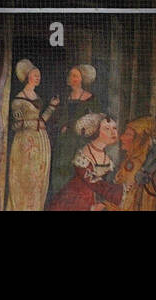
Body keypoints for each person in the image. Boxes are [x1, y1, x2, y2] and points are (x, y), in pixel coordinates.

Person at [5, 59, 58, 211]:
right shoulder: (18, 100)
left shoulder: (36, 96)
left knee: (39, 180)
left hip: (41, 141)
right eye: (35, 75)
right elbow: (16, 125)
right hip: (25, 143)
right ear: (28, 77)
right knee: (25, 177)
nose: (38, 77)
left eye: (39, 75)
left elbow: (41, 120)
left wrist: (52, 107)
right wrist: (33, 125)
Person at [46, 113, 128, 211]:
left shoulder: (107, 158)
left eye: (114, 128)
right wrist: (119, 192)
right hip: (78, 199)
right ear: (96, 131)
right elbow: (93, 182)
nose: (113, 132)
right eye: (107, 129)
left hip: (98, 198)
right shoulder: (85, 154)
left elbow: (107, 182)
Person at [47, 63, 97, 205]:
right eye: (71, 75)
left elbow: (94, 122)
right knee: (59, 178)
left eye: (75, 75)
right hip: (63, 146)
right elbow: (57, 120)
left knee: (75, 178)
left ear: (82, 79)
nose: (72, 78)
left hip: (79, 145)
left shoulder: (90, 99)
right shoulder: (64, 98)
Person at [115, 116, 156, 211]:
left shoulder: (134, 164)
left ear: (138, 140)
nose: (122, 137)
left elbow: (126, 202)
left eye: (127, 134)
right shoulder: (139, 161)